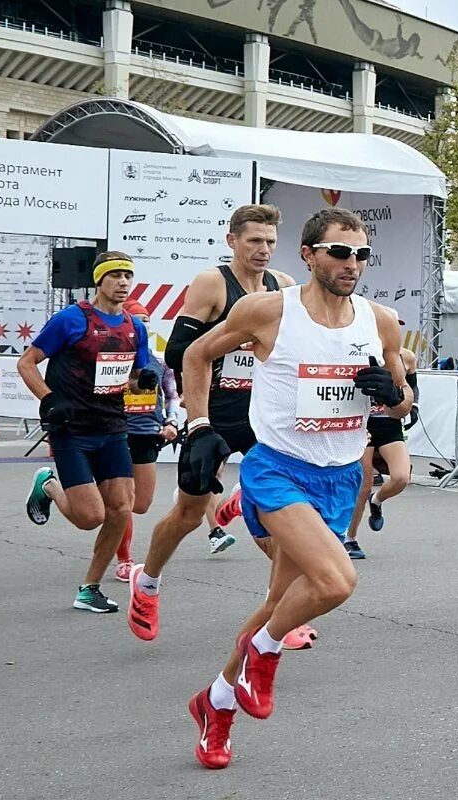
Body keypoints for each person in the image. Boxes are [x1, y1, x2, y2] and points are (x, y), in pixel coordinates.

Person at [180, 207, 409, 770]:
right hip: (277, 469)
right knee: (336, 581)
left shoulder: (381, 322)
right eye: (339, 252)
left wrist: (391, 392)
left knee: (277, 603)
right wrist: (200, 425)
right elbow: (195, 354)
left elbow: (401, 401)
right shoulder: (266, 310)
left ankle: (216, 705)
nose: (351, 264)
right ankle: (264, 653)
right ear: (308, 255)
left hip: (339, 477)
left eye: (361, 255)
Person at [124, 205, 308, 646]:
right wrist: (237, 335)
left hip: (260, 414)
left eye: (269, 242)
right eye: (253, 242)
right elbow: (178, 353)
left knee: (281, 517)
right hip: (213, 412)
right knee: (188, 514)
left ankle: (282, 614)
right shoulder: (213, 283)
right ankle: (146, 583)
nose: (263, 250)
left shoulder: (280, 287)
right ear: (232, 241)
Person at [18, 252, 155, 612]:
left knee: (121, 508)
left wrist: (145, 380)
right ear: (99, 281)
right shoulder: (71, 320)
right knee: (89, 517)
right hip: (72, 429)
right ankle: (48, 484)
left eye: (128, 275)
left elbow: (135, 379)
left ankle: (89, 587)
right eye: (115, 276)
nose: (123, 282)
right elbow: (27, 363)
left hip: (112, 426)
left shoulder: (134, 327)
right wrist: (49, 400)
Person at [113, 299, 181, 582]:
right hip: (115, 432)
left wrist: (171, 421)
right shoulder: (113, 357)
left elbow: (171, 395)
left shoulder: (160, 360)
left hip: (147, 434)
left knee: (141, 503)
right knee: (122, 501)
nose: (143, 326)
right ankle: (124, 558)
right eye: (137, 320)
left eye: (147, 321)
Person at [341, 346, 418, 559]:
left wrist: (414, 407)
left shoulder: (407, 356)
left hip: (390, 423)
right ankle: (350, 538)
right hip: (364, 423)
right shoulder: (359, 351)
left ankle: (377, 501)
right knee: (363, 484)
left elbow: (412, 386)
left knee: (401, 477)